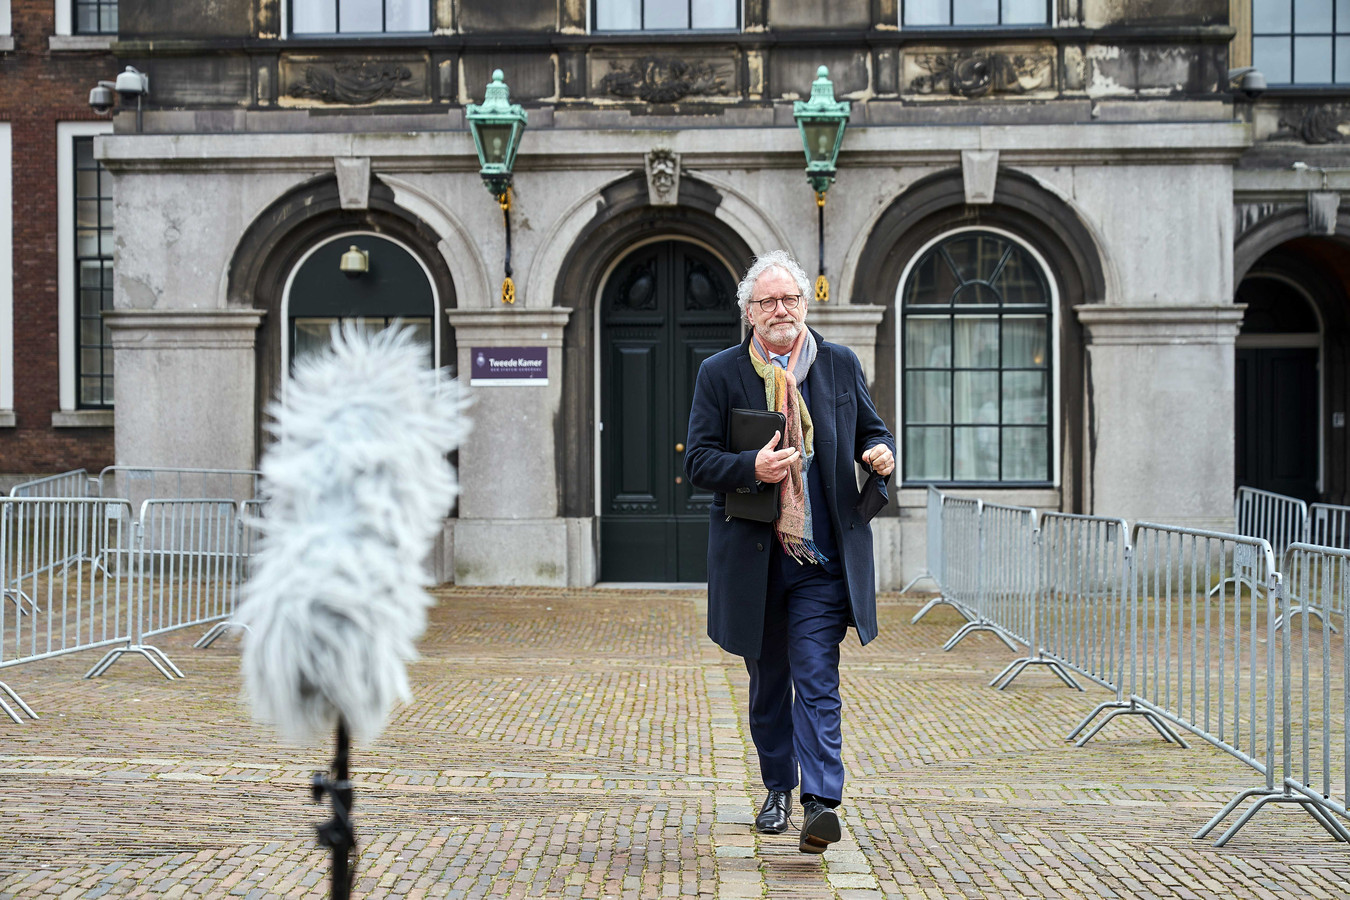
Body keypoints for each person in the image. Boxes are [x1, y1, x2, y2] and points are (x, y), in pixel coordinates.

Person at [684, 250, 895, 854]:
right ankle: (778, 787)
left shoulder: (838, 364)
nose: (781, 310)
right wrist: (750, 465)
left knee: (817, 675)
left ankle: (821, 801)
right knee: (769, 683)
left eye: (791, 300)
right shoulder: (720, 373)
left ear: (805, 305)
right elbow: (697, 460)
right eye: (768, 301)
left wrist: (880, 452)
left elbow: (870, 431)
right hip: (754, 561)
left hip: (821, 562)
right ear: (750, 313)